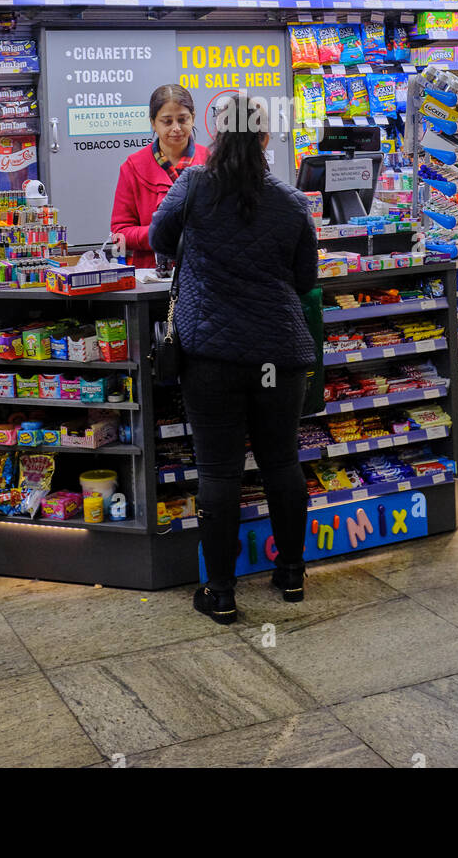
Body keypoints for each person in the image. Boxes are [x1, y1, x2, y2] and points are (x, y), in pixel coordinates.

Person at [149, 93, 319, 625]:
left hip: (213, 356)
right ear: (266, 139)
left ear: (215, 138)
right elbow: (306, 279)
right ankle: (291, 574)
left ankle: (220, 593)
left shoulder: (195, 184)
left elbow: (158, 235)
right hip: (277, 356)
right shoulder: (291, 202)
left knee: (218, 472)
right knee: (281, 463)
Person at [110, 85, 209, 269]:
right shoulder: (132, 167)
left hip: (204, 274)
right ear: (153, 123)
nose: (176, 128)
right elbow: (119, 232)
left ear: (193, 118)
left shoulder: (212, 163)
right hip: (151, 276)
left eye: (182, 119)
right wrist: (161, 234)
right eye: (167, 121)